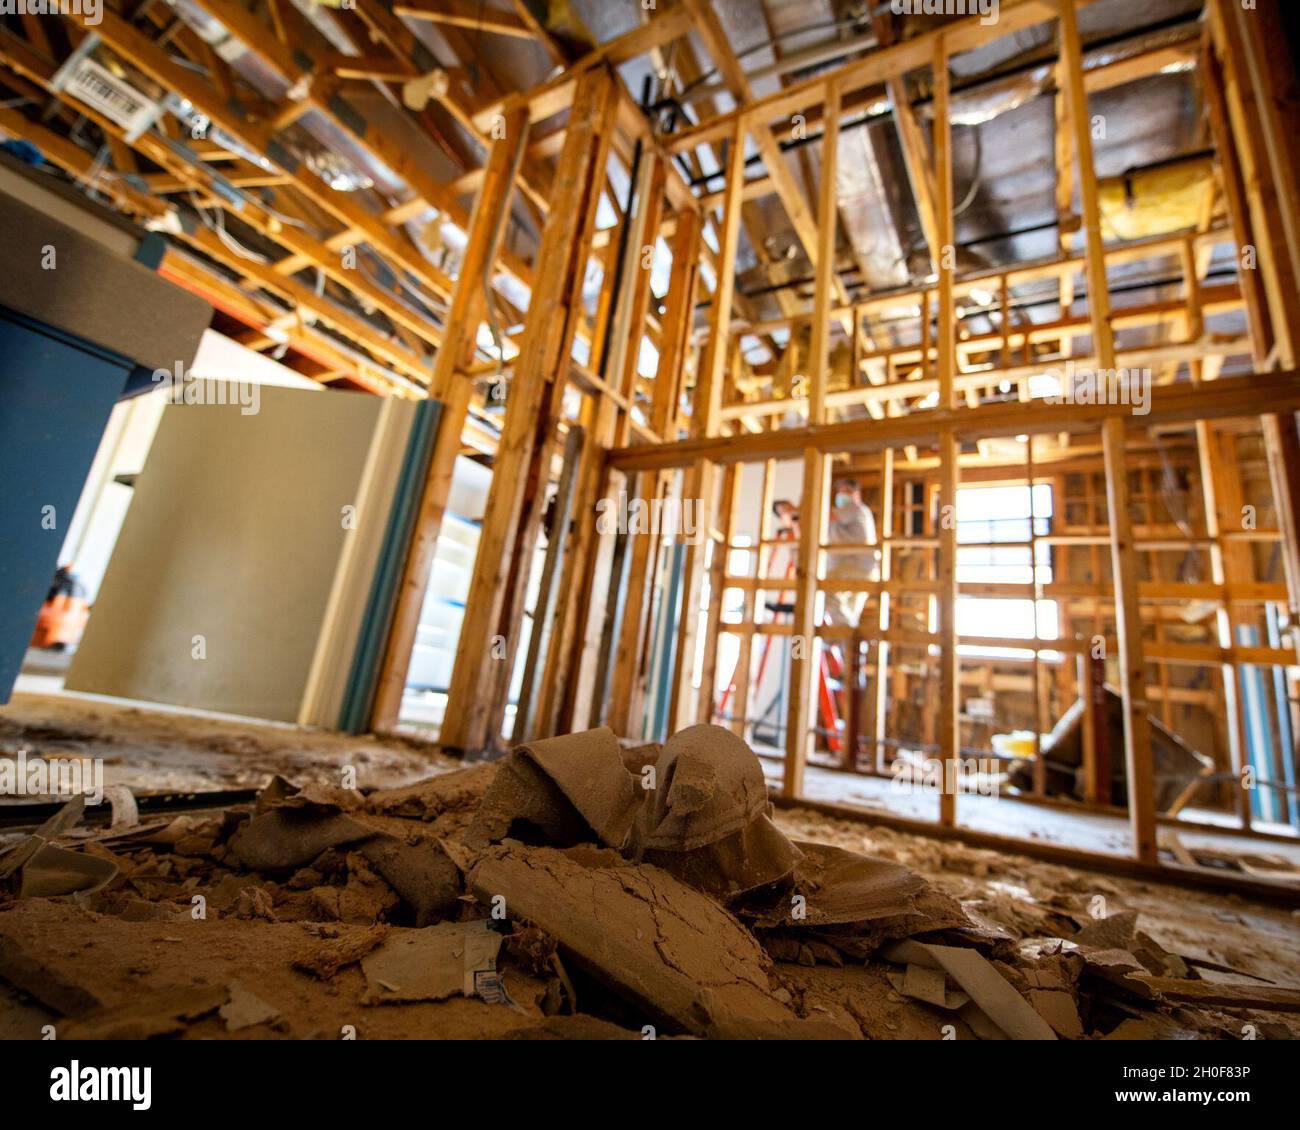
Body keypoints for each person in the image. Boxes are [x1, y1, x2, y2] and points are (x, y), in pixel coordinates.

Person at [824, 478, 877, 629]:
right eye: (840, 491)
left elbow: (826, 516)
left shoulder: (855, 508)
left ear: (856, 494)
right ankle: (848, 646)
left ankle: (845, 637)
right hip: (862, 570)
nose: (842, 494)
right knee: (850, 614)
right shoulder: (849, 513)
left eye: (846, 491)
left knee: (824, 591)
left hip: (853, 567)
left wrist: (796, 513)